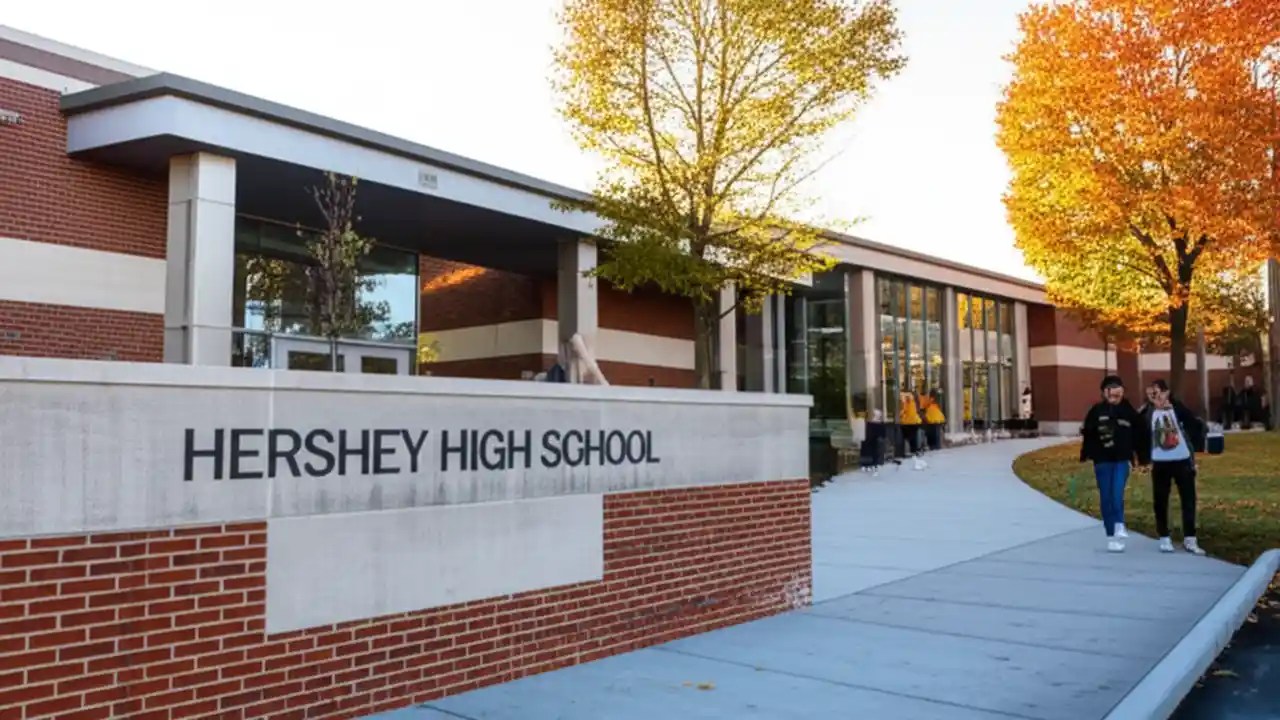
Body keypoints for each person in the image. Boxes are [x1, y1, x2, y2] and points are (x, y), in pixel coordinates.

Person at [1136, 379, 1207, 555]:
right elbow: (1138, 434)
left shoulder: (1177, 408)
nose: (1157, 395)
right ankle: (1164, 538)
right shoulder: (1147, 412)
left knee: (1188, 500)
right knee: (1160, 501)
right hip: (1160, 463)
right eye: (1153, 392)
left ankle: (1190, 539)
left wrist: (1194, 457)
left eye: (1160, 391)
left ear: (1167, 393)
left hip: (1182, 460)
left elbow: (1195, 426)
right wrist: (1143, 460)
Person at [1080, 375, 1140, 553]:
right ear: (1104, 392)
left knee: (1116, 493)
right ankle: (1111, 536)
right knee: (1106, 497)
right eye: (1111, 391)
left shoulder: (1127, 410)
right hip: (1102, 460)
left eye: (1118, 391)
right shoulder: (1096, 411)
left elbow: (1139, 431)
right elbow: (1088, 433)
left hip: (1122, 459)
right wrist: (1087, 451)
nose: (1115, 396)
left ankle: (1119, 524)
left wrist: (1137, 457)